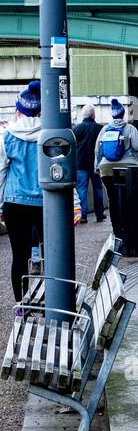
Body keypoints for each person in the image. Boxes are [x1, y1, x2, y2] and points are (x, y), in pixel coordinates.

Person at [0, 81, 44, 299]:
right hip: (46, 204)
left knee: (19, 256)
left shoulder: (7, 136)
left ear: (19, 110)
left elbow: (1, 173)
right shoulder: (49, 134)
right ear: (39, 110)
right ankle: (52, 297)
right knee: (53, 255)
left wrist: (0, 204)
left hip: (14, 202)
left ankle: (22, 304)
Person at [96, 99, 138, 244]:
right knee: (128, 198)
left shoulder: (104, 129)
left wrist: (97, 167)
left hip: (106, 168)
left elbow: (97, 150)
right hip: (128, 168)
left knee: (112, 199)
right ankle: (129, 228)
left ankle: (116, 230)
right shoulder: (129, 128)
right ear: (123, 114)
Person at [73, 102, 106, 225]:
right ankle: (99, 214)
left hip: (80, 164)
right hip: (95, 164)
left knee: (81, 189)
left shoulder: (76, 128)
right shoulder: (100, 128)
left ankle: (83, 215)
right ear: (94, 115)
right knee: (98, 189)